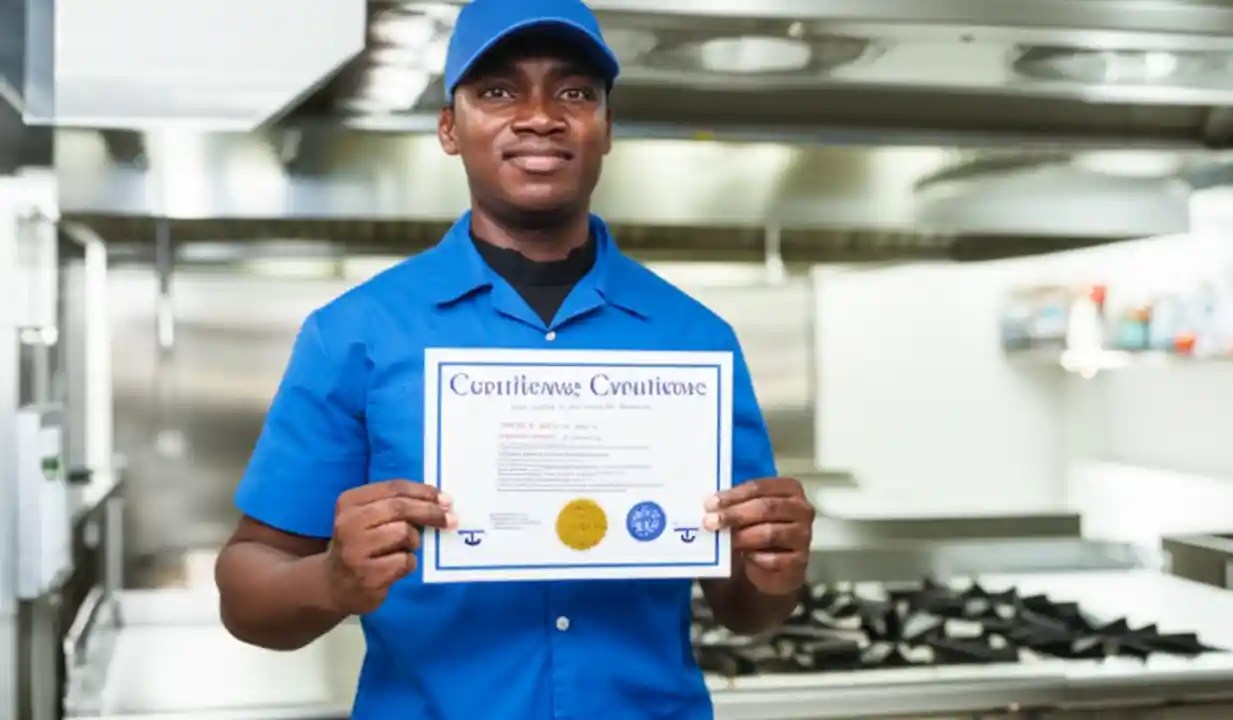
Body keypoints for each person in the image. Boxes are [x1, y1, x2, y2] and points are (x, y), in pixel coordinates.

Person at [213, 0, 816, 717]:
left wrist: (773, 572)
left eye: (575, 93)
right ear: (449, 127)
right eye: (497, 91)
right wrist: (330, 581)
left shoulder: (694, 342)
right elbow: (247, 588)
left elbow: (745, 609)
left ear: (607, 128)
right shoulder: (356, 335)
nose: (540, 116)